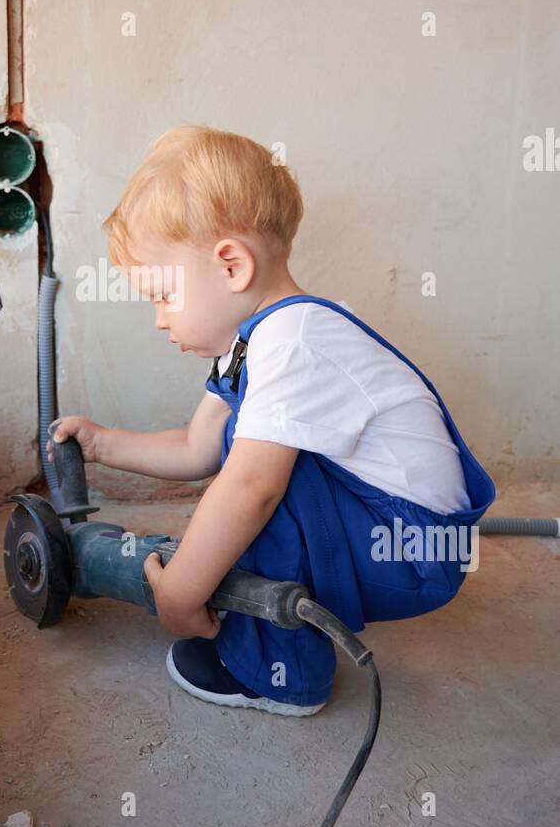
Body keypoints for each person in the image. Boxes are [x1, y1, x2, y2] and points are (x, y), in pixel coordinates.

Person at [48, 125, 495, 715]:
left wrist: (181, 594)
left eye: (161, 295)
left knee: (257, 480)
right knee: (244, 461)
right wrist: (105, 443)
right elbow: (196, 447)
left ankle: (277, 673)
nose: (159, 319)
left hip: (412, 551)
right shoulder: (261, 341)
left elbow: (252, 488)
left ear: (231, 265)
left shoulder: (293, 341)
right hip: (400, 536)